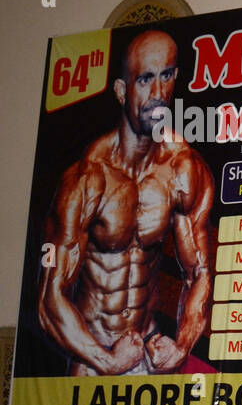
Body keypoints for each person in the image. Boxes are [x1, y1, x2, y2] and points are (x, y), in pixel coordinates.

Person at [38, 30, 214, 375]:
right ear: (122, 91)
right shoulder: (88, 178)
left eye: (166, 76)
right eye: (145, 79)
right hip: (94, 350)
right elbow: (49, 299)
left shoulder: (183, 170)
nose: (158, 94)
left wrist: (182, 343)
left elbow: (200, 273)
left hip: (149, 351)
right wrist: (106, 360)